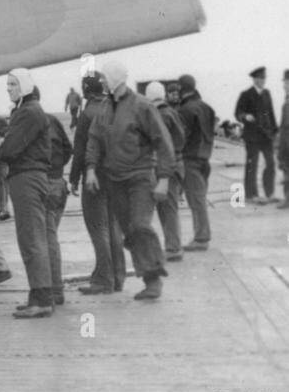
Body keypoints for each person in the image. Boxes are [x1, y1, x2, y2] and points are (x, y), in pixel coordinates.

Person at [84, 58, 176, 301]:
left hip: (140, 179)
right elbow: (94, 139)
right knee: (130, 232)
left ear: (115, 79)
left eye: (104, 77)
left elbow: (163, 142)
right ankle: (150, 273)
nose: (102, 81)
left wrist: (164, 179)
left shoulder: (142, 106)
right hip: (115, 182)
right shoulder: (104, 108)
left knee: (140, 226)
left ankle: (153, 280)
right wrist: (91, 169)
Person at [0, 68, 55, 318]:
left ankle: (41, 299)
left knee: (31, 238)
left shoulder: (27, 112)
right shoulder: (30, 110)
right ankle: (40, 294)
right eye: (8, 84)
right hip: (33, 177)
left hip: (26, 178)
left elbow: (9, 149)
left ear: (24, 86)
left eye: (13, 84)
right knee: (36, 238)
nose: (9, 88)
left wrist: (2, 142)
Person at [69, 71, 126, 294]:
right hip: (117, 176)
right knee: (113, 227)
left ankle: (104, 278)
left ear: (85, 89)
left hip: (95, 177)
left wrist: (74, 178)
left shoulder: (88, 112)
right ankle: (117, 276)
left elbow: (80, 150)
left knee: (97, 227)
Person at [33, 86, 72, 306]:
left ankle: (54, 290)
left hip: (45, 185)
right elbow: (68, 148)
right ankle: (54, 289)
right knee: (50, 238)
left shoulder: (29, 123)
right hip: (59, 184)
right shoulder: (54, 120)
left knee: (46, 241)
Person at [145, 81, 186, 261]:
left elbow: (159, 145)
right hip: (178, 164)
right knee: (171, 207)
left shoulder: (159, 115)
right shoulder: (171, 112)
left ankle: (173, 248)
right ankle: (173, 245)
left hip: (166, 167)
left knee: (167, 209)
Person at [175, 75, 217, 244]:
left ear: (181, 89)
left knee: (196, 201)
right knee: (199, 198)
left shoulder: (184, 110)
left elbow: (180, 137)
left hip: (190, 159)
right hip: (205, 159)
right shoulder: (207, 108)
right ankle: (201, 235)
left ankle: (201, 237)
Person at [235, 67, 279, 203]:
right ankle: (251, 195)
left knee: (271, 163)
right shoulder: (246, 94)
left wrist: (275, 131)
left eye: (264, 78)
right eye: (260, 78)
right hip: (252, 136)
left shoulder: (267, 93)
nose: (263, 81)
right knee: (252, 165)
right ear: (254, 79)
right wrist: (245, 116)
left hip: (266, 135)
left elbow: (271, 114)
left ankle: (270, 194)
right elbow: (238, 112)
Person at [279, 70, 289, 211]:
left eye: (286, 83)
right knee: (286, 171)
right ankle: (287, 199)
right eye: (284, 82)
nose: (284, 85)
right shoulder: (286, 101)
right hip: (285, 141)